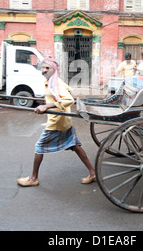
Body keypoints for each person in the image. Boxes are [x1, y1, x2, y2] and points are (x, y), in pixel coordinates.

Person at [17, 57, 96, 187]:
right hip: (64, 121)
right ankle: (92, 173)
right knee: (74, 145)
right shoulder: (51, 81)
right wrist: (45, 104)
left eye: (47, 68)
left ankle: (33, 178)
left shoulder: (56, 83)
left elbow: (69, 99)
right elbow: (64, 92)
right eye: (43, 67)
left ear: (54, 70)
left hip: (57, 122)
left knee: (39, 147)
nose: (44, 70)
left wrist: (47, 106)